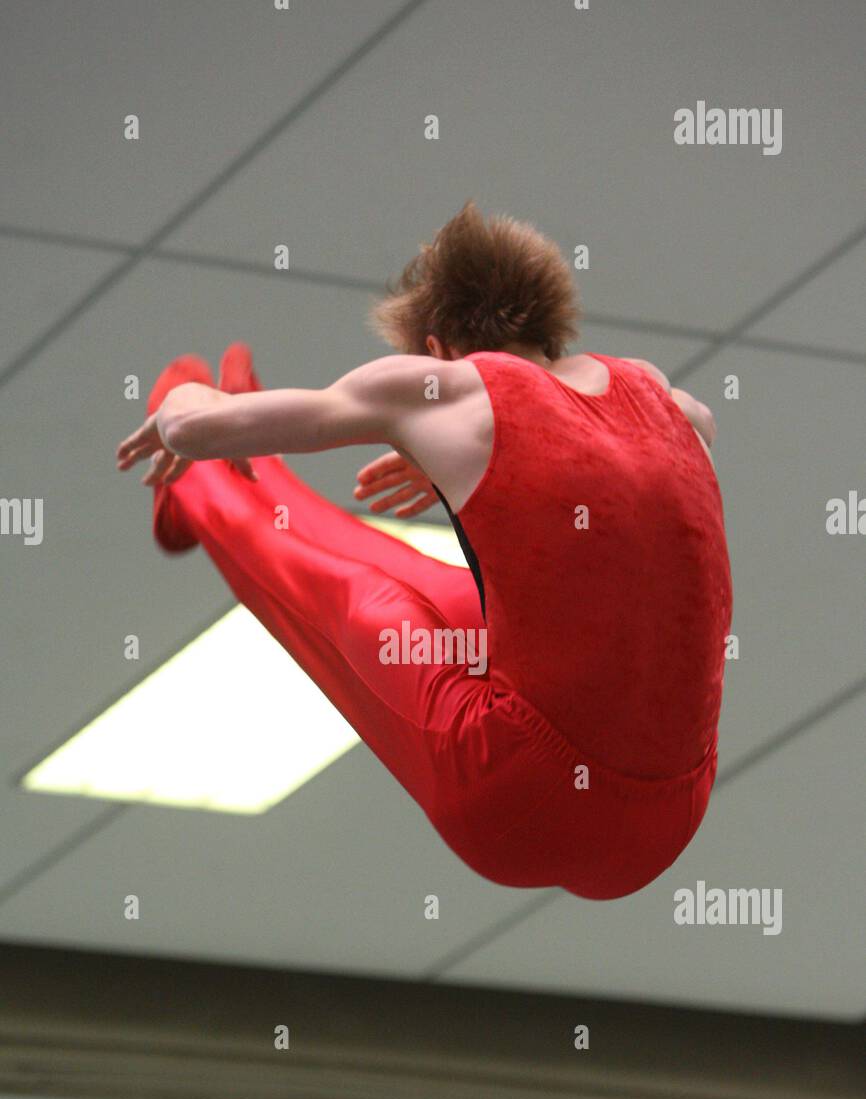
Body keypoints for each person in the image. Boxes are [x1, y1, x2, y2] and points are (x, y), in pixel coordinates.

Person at [117, 201, 732, 899]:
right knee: (448, 597)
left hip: (521, 797)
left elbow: (194, 428)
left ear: (435, 351)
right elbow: (696, 429)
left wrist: (181, 400)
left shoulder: (450, 396)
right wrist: (466, 459)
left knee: (363, 597)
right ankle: (257, 487)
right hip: (671, 818)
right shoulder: (655, 392)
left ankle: (198, 494)